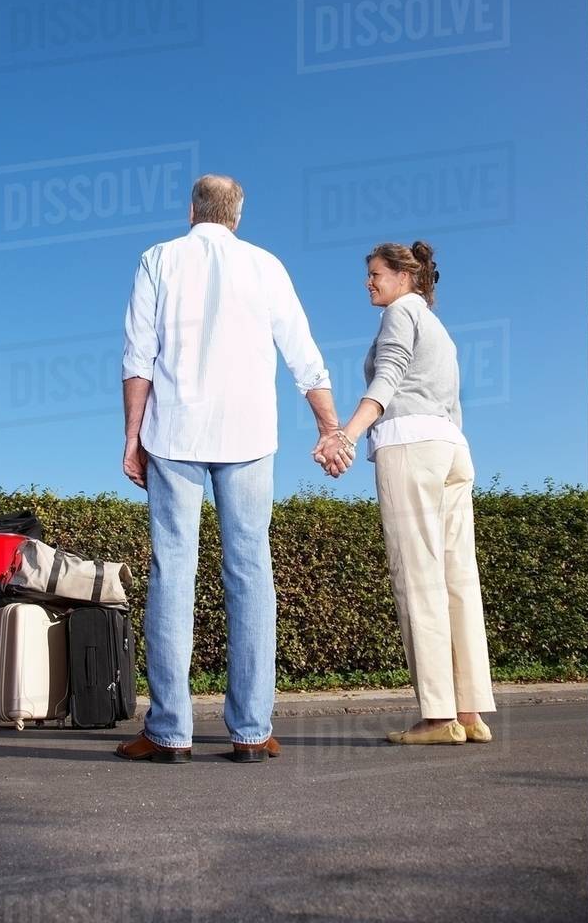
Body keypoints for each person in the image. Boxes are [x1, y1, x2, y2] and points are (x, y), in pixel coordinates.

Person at [117, 174, 347, 763]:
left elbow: (138, 355)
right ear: (237, 217)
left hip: (175, 434)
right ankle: (251, 731)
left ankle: (170, 733)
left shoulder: (158, 258)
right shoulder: (267, 265)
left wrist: (131, 435)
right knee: (251, 573)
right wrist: (327, 427)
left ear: (192, 209)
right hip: (249, 435)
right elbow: (303, 351)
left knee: (173, 574)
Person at [313, 241, 496, 745]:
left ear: (404, 276)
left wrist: (345, 435)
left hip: (411, 447)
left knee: (419, 580)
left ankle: (438, 719)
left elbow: (388, 378)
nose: (368, 283)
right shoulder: (441, 330)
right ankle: (469, 712)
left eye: (375, 274)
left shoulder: (400, 314)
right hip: (452, 450)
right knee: (458, 580)